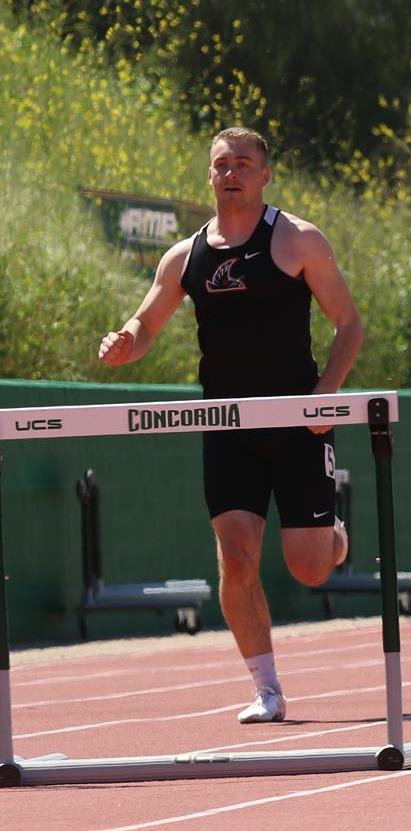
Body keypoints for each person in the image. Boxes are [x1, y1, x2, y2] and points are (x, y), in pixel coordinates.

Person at [97, 128, 362, 723]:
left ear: (264, 175)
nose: (232, 173)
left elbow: (349, 324)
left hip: (299, 424)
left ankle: (336, 535)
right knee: (237, 558)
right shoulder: (185, 256)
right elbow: (144, 325)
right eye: (222, 165)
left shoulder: (297, 240)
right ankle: (267, 689)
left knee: (310, 567)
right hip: (227, 426)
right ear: (210, 176)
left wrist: (325, 396)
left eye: (244, 164)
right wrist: (123, 343)